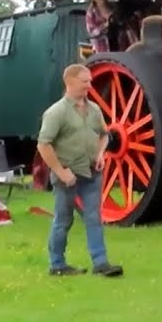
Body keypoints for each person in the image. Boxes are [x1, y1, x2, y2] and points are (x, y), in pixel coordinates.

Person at [36, 64, 124, 278]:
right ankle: (57, 265)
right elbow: (43, 145)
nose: (89, 85)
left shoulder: (93, 109)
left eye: (90, 81)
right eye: (85, 81)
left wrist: (100, 153)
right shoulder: (56, 112)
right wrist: (61, 171)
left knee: (94, 217)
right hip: (68, 175)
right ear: (70, 82)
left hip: (91, 172)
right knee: (63, 220)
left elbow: (104, 134)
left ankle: (101, 263)